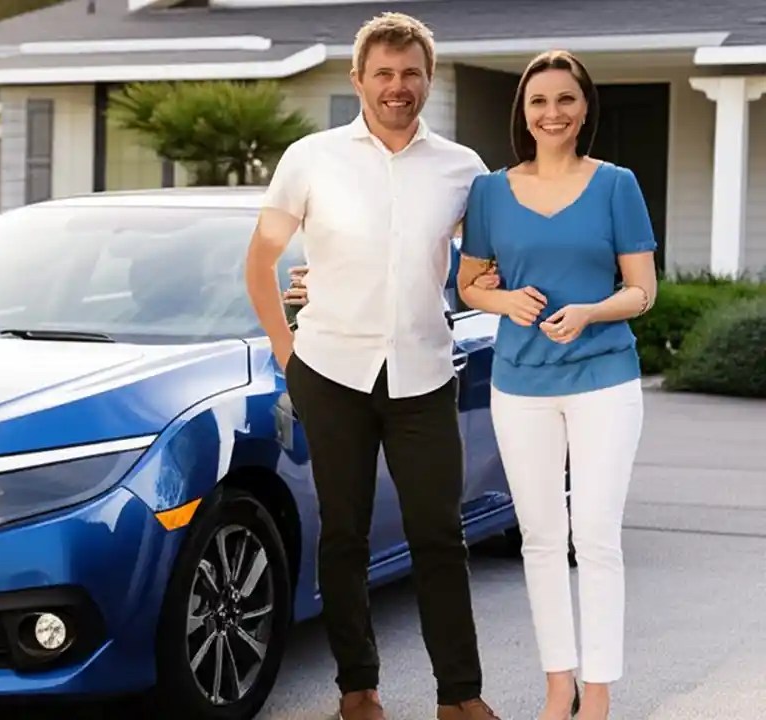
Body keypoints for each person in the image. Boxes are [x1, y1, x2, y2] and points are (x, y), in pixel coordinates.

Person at [243, 12, 499, 720]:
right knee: (345, 536)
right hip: (331, 375)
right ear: (358, 80)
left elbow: (484, 266)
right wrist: (289, 356)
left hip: (424, 375)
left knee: (439, 537)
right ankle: (358, 690)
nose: (397, 86)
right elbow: (260, 263)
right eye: (383, 73)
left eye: (410, 73)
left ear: (429, 79)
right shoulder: (311, 158)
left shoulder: (463, 169)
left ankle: (460, 697)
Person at [454, 50, 656, 720]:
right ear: (523, 112)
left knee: (594, 536)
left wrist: (591, 312)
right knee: (540, 539)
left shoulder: (617, 185)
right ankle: (558, 685)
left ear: (585, 107)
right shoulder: (490, 192)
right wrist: (504, 301)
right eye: (538, 101)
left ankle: (597, 693)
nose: (552, 113)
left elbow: (643, 291)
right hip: (519, 385)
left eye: (566, 99)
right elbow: (469, 284)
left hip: (604, 379)